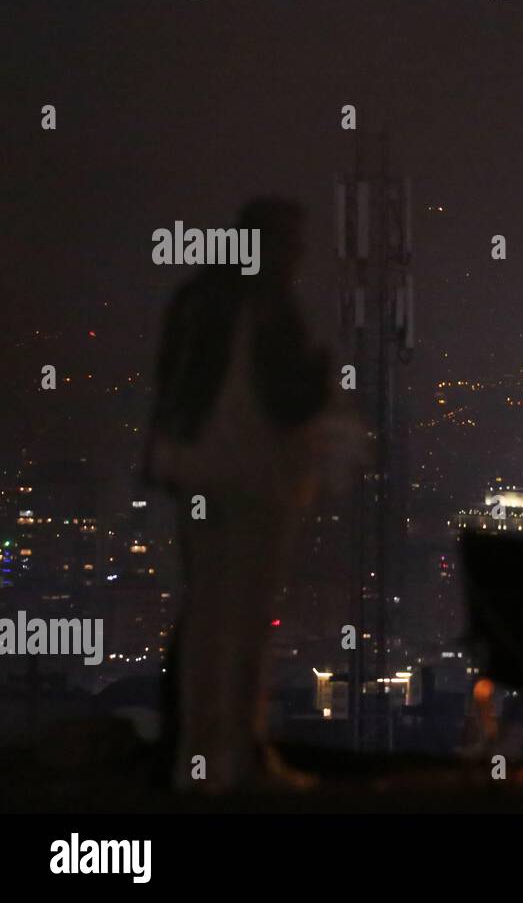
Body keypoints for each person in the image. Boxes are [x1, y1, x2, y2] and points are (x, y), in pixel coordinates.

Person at [145, 198, 336, 792]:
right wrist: (322, 375)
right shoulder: (269, 309)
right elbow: (287, 401)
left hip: (198, 474)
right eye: (293, 245)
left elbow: (171, 386)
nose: (299, 258)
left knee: (207, 618)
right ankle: (239, 759)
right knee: (246, 621)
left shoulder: (200, 298)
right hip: (256, 478)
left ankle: (197, 762)